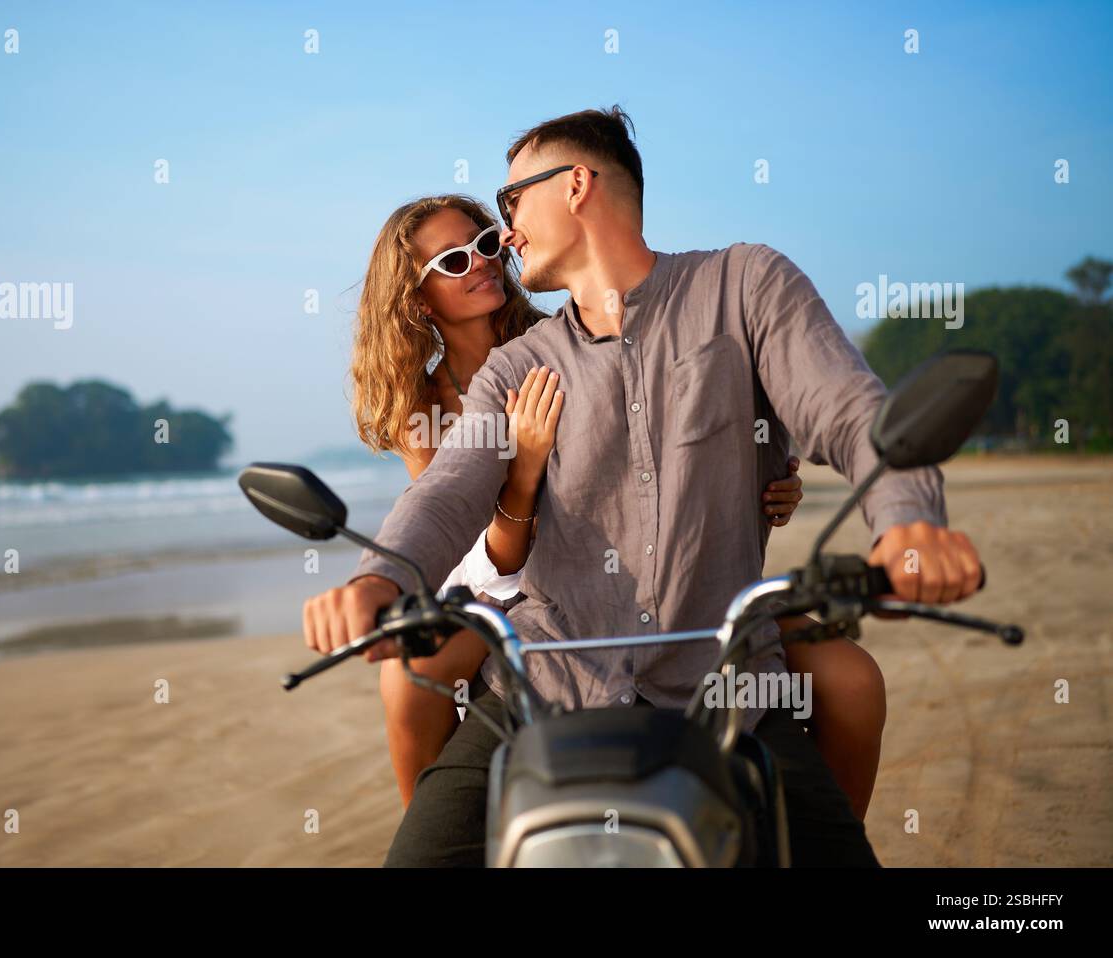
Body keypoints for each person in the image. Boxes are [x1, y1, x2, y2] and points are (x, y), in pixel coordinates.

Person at [309, 107, 984, 867]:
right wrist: (379, 576)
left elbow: (849, 408)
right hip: (538, 691)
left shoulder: (746, 284)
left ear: (575, 186)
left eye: (508, 205)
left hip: (727, 694)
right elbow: (449, 490)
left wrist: (906, 521)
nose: (504, 234)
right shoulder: (512, 366)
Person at [349, 194, 809, 810]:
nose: (484, 262)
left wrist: (763, 478)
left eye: (488, 243)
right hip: (487, 574)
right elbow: (461, 525)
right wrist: (524, 470)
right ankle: (436, 824)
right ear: (415, 300)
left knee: (832, 662)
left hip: (596, 559)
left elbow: (653, 459)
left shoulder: (557, 341)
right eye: (455, 262)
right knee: (406, 685)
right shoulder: (420, 409)